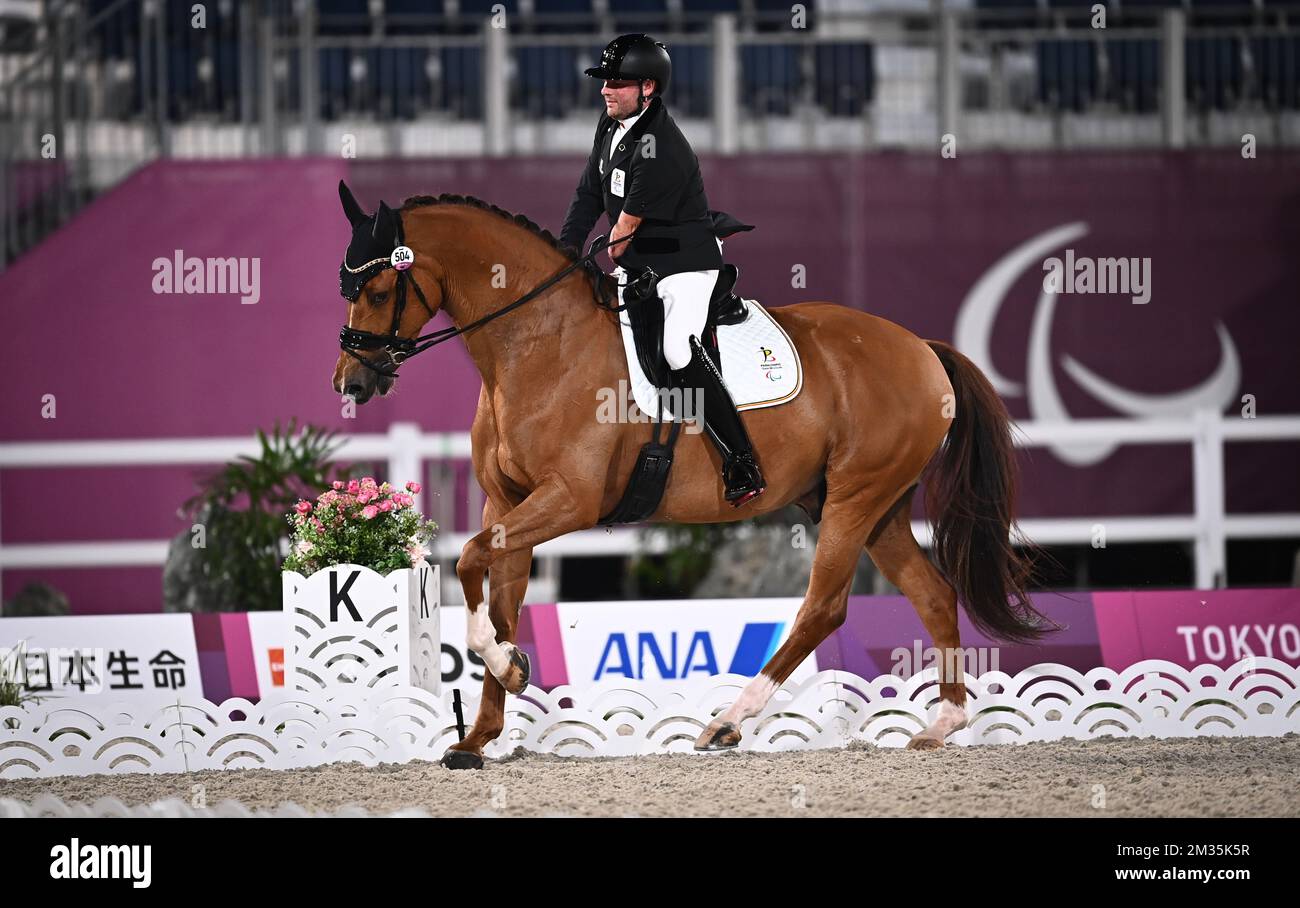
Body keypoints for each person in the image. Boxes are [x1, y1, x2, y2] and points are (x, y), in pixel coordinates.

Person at [559, 33, 766, 507]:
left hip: (682, 265)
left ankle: (742, 460)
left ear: (648, 88)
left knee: (676, 350)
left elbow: (619, 240)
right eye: (604, 81)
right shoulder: (610, 126)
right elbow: (589, 192)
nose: (605, 90)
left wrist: (593, 253)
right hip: (642, 264)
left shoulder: (660, 147)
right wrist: (564, 247)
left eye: (617, 83)